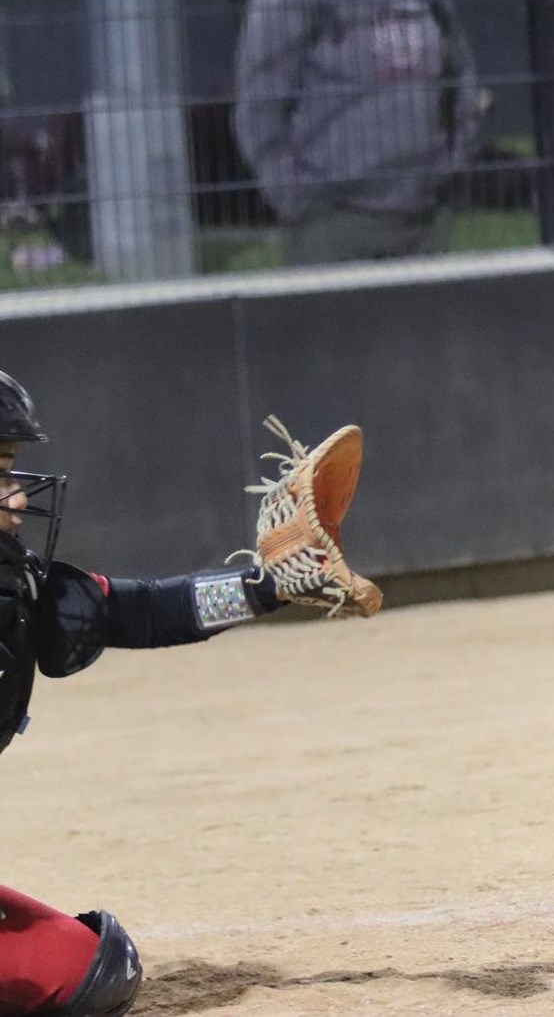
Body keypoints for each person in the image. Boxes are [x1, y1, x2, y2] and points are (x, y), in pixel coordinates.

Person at [0, 371, 372, 1014]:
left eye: (8, 467)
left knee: (92, 965)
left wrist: (265, 588)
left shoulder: (17, 586)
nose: (16, 496)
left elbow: (143, 611)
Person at [234, 0, 483, 267]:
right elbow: (258, 112)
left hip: (423, 220)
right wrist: (299, 201)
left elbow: (463, 83)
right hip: (332, 227)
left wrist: (450, 171)